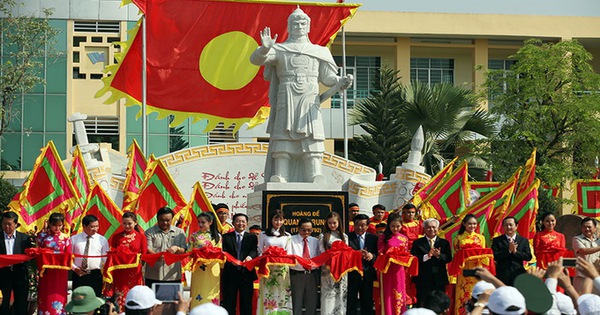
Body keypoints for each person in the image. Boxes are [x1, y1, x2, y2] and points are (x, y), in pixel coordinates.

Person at [250, 7, 353, 183]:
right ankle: (281, 174)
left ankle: (314, 174)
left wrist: (339, 80)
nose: (299, 25)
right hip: (286, 94)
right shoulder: (279, 49)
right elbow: (256, 60)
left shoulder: (319, 51)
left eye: (303, 23)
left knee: (312, 136)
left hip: (310, 96)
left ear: (309, 27)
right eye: (295, 23)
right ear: (289, 26)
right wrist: (264, 49)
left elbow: (327, 77)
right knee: (283, 134)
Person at [451, 214, 495, 315]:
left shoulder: (481, 238)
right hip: (464, 271)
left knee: (477, 292)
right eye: (470, 224)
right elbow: (456, 256)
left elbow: (483, 255)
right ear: (464, 224)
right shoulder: (458, 238)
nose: (472, 226)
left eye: (474, 224)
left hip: (477, 270)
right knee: (462, 293)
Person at [106, 211, 148, 310]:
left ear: (135, 223)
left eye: (130, 223)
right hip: (120, 272)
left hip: (134, 272)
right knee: (120, 293)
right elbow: (113, 254)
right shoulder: (116, 237)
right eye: (124, 223)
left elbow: (144, 255)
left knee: (134, 293)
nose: (127, 226)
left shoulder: (141, 237)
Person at [221, 213, 258, 315]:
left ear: (247, 224)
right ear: (233, 223)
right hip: (230, 273)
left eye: (243, 221)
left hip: (246, 274)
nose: (240, 223)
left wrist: (250, 257)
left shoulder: (252, 237)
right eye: (237, 221)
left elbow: (254, 251)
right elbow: (224, 251)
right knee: (229, 303)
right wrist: (230, 260)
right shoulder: (226, 237)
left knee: (246, 303)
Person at [257, 209, 292, 314]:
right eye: (276, 219)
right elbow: (259, 250)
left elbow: (288, 253)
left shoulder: (287, 236)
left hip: (282, 269)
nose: (278, 222)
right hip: (268, 268)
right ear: (271, 220)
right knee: (268, 292)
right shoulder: (263, 234)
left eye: (281, 220)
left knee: (282, 292)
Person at [410, 218, 452, 307]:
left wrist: (439, 255)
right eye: (428, 227)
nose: (431, 229)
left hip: (439, 278)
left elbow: (448, 258)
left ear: (437, 228)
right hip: (423, 279)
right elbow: (414, 258)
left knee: (439, 303)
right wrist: (427, 256)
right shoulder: (417, 243)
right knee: (423, 302)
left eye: (434, 227)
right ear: (424, 229)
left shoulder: (444, 243)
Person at [37, 212, 72, 315]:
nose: (57, 228)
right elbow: (38, 253)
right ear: (49, 224)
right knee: (45, 295)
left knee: (59, 294)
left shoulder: (66, 238)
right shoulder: (42, 236)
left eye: (59, 225)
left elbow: (69, 254)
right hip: (46, 272)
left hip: (60, 272)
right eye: (54, 225)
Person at [144, 206, 187, 288]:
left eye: (168, 220)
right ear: (157, 219)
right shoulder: (149, 232)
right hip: (154, 274)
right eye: (162, 220)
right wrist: (156, 256)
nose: (165, 223)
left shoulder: (180, 232)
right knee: (153, 300)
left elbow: (184, 250)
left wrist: (177, 248)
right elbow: (147, 248)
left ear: (172, 219)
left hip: (172, 275)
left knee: (172, 300)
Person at [0, 211, 33, 315]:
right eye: (4, 223)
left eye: (9, 224)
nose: (6, 226)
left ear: (16, 224)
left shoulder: (25, 239)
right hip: (2, 275)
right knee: (3, 305)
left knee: (21, 304)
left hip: (20, 274)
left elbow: (30, 258)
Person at [377, 213, 411, 314]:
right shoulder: (383, 238)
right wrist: (391, 253)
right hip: (386, 270)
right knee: (387, 293)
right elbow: (380, 253)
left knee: (399, 291)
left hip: (399, 270)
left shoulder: (404, 239)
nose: (395, 228)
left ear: (401, 225)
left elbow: (405, 254)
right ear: (389, 226)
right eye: (393, 226)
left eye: (398, 226)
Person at [188, 212, 221, 308]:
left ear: (210, 222)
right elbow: (190, 252)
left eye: (203, 222)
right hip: (199, 268)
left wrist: (210, 253)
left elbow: (220, 252)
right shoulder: (194, 236)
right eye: (199, 222)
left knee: (212, 292)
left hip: (213, 268)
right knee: (198, 290)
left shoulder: (217, 236)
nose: (200, 225)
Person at [71, 214, 110, 296]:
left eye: (97, 226)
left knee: (95, 301)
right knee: (79, 301)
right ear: (84, 226)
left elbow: (106, 259)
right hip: (79, 274)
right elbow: (68, 258)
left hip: (95, 275)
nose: (95, 229)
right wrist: (75, 269)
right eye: (92, 227)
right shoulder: (74, 239)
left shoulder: (102, 240)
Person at [288, 218, 320, 315]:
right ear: (298, 228)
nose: (306, 232)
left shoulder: (315, 241)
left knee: (312, 303)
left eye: (309, 230)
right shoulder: (291, 240)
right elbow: (289, 257)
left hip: (312, 275)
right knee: (296, 303)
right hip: (297, 275)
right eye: (303, 229)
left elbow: (319, 257)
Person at [347, 214, 378, 315]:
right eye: (357, 225)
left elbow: (378, 255)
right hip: (352, 274)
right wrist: (356, 254)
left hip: (367, 274)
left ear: (368, 226)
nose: (360, 227)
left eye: (363, 225)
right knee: (351, 302)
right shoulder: (347, 237)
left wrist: (371, 256)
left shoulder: (373, 238)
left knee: (367, 302)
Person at [318, 212, 348, 314]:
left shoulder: (344, 237)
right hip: (328, 270)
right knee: (328, 296)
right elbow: (322, 252)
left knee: (340, 296)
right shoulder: (323, 236)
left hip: (341, 271)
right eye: (330, 223)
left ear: (339, 222)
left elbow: (347, 253)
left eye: (334, 223)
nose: (332, 225)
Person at [491, 216, 532, 286]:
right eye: (506, 225)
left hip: (518, 274)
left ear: (516, 226)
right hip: (502, 275)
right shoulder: (497, 240)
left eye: (511, 225)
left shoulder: (523, 240)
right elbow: (494, 256)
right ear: (503, 227)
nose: (508, 227)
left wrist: (516, 252)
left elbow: (528, 257)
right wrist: (508, 251)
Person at [399, 203, 422, 306]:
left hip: (417, 255)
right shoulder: (400, 225)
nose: (410, 214)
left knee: (415, 279)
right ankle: (406, 300)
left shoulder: (419, 224)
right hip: (404, 255)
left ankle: (414, 300)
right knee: (406, 279)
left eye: (412, 212)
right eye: (408, 212)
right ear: (403, 213)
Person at [572, 217, 600, 293]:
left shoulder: (598, 240)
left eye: (589, 227)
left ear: (594, 228)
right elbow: (583, 251)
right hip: (582, 275)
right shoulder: (577, 239)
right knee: (581, 299)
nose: (587, 229)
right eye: (584, 227)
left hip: (596, 275)